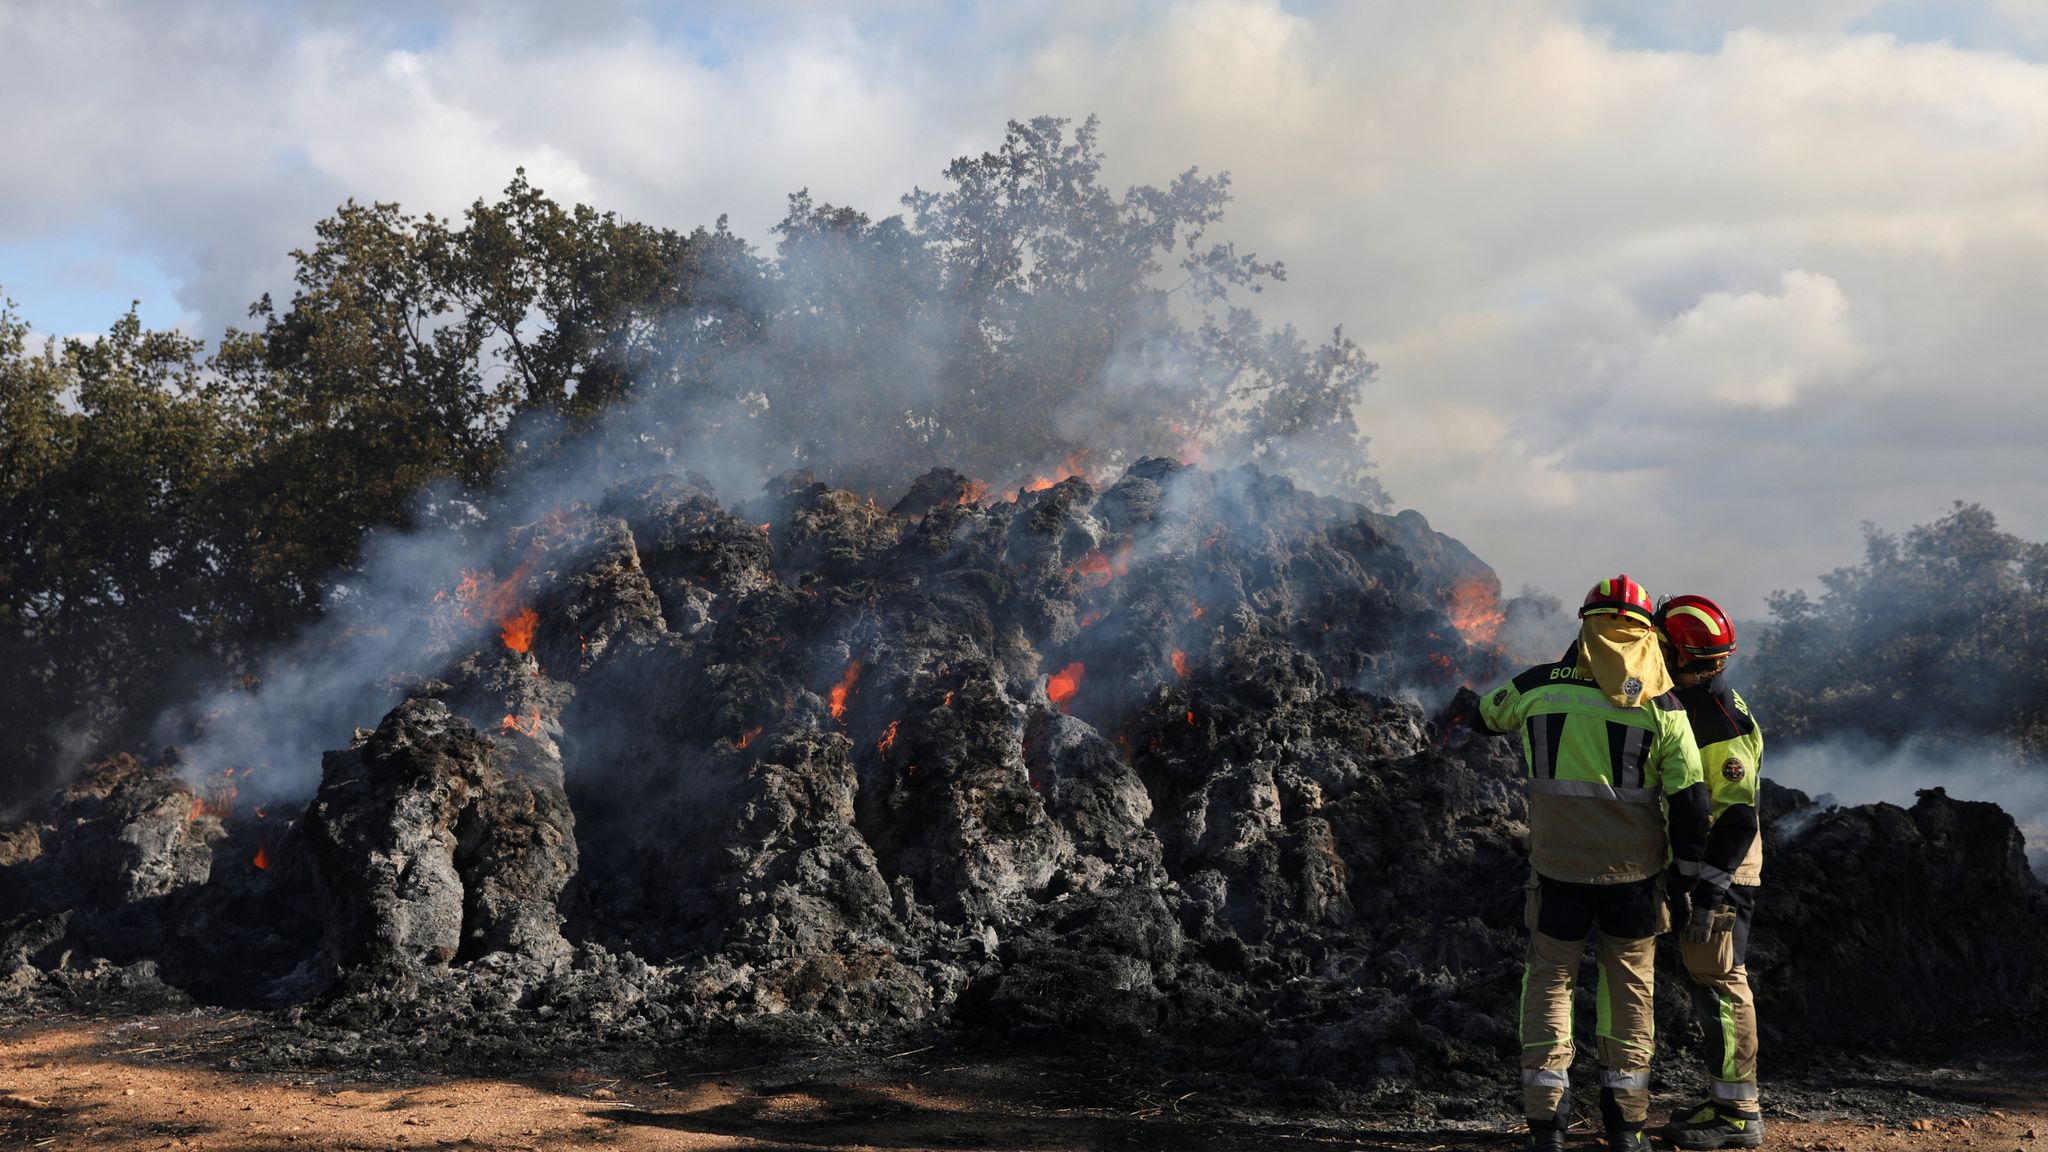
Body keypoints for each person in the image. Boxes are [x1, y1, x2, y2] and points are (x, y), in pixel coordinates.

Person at [1475, 574, 1712, 1152]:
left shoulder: (1537, 686)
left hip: (1557, 871)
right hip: (1634, 878)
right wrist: (1684, 880)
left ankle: (1546, 1125)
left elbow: (1486, 715)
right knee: (1629, 991)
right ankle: (1626, 1127)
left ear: (1585, 625)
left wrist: (1562, 669)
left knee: (1550, 982)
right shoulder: (1664, 706)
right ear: (1646, 633)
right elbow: (1691, 805)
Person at [1655, 594, 1766, 1150]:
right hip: (1704, 869)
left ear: (1679, 653)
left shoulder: (1718, 718)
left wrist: (1707, 893)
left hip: (1721, 873)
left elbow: (1737, 816)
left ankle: (1738, 1114)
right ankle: (1725, 1102)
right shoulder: (1694, 699)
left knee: (1722, 983)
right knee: (1710, 983)